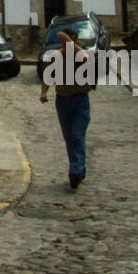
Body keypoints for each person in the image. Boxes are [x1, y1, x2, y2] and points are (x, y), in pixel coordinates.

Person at [39, 28, 95, 190]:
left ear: (73, 39)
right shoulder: (57, 56)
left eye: (67, 40)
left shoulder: (81, 53)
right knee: (69, 137)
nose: (63, 43)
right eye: (62, 41)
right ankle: (78, 168)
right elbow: (48, 75)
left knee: (77, 135)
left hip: (80, 100)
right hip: (62, 101)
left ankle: (75, 171)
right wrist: (44, 92)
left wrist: (70, 43)